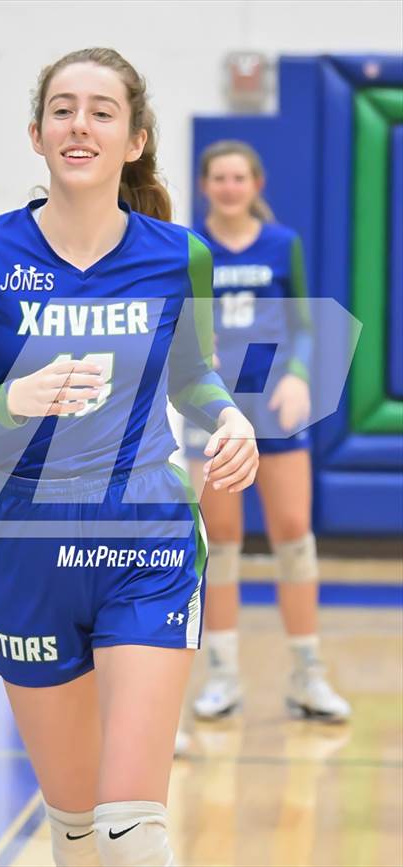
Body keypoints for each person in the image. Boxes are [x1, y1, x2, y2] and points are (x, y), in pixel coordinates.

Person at [0, 48, 258, 867]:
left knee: (132, 829)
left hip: (146, 535)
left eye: (102, 110)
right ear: (36, 134)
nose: (80, 124)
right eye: (63, 109)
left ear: (134, 139)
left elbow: (194, 373)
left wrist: (231, 417)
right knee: (76, 830)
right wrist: (12, 402)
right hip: (27, 541)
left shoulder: (180, 256)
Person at [179, 140, 350, 725]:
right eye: (219, 178)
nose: (229, 187)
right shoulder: (189, 248)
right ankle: (224, 677)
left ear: (256, 184)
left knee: (294, 536)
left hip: (277, 410)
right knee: (221, 543)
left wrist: (300, 375)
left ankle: (308, 676)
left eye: (238, 178)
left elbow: (304, 324)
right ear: (205, 185)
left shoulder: (283, 244)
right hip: (216, 413)